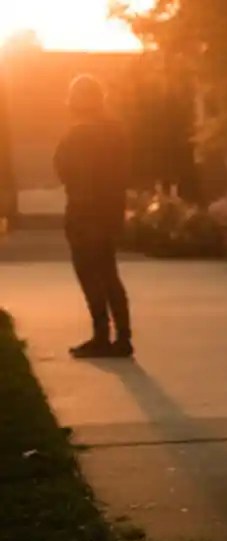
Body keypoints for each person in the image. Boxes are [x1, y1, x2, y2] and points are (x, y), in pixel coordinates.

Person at [54, 74, 132, 358]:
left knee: (88, 274)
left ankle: (101, 334)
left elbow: (62, 170)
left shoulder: (76, 135)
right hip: (108, 213)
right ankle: (123, 337)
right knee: (109, 273)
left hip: (83, 213)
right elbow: (123, 173)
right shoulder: (115, 132)